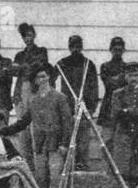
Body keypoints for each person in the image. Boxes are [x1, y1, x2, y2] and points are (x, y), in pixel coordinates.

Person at [0, 65, 73, 188]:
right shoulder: (33, 100)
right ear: (35, 81)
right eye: (39, 77)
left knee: (55, 176)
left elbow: (67, 123)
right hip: (39, 145)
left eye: (44, 76)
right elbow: (23, 122)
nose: (43, 79)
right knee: (40, 176)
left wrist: (64, 144)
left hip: (56, 145)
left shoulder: (59, 97)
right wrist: (2, 131)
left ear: (49, 77)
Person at [56, 35, 99, 170]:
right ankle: (68, 175)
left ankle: (82, 174)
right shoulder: (62, 64)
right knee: (67, 144)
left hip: (83, 110)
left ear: (81, 47)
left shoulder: (88, 64)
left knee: (82, 145)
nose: (75, 49)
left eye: (78, 46)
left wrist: (91, 108)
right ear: (69, 47)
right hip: (66, 111)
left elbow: (94, 88)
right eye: (73, 46)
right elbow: (49, 79)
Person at [11, 22, 50, 161]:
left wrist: (23, 67)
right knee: (23, 131)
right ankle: (27, 167)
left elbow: (38, 65)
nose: (27, 38)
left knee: (36, 128)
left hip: (34, 91)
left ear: (34, 35)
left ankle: (39, 167)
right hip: (21, 93)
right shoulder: (19, 54)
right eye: (24, 36)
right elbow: (14, 70)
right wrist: (23, 67)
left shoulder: (41, 51)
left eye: (29, 35)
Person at [98, 36, 129, 126]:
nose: (117, 52)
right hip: (108, 104)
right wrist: (121, 78)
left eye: (120, 50)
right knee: (108, 135)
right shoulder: (105, 66)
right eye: (115, 49)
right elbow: (109, 84)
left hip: (124, 103)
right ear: (110, 50)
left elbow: (127, 84)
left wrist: (115, 79)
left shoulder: (127, 67)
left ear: (123, 50)